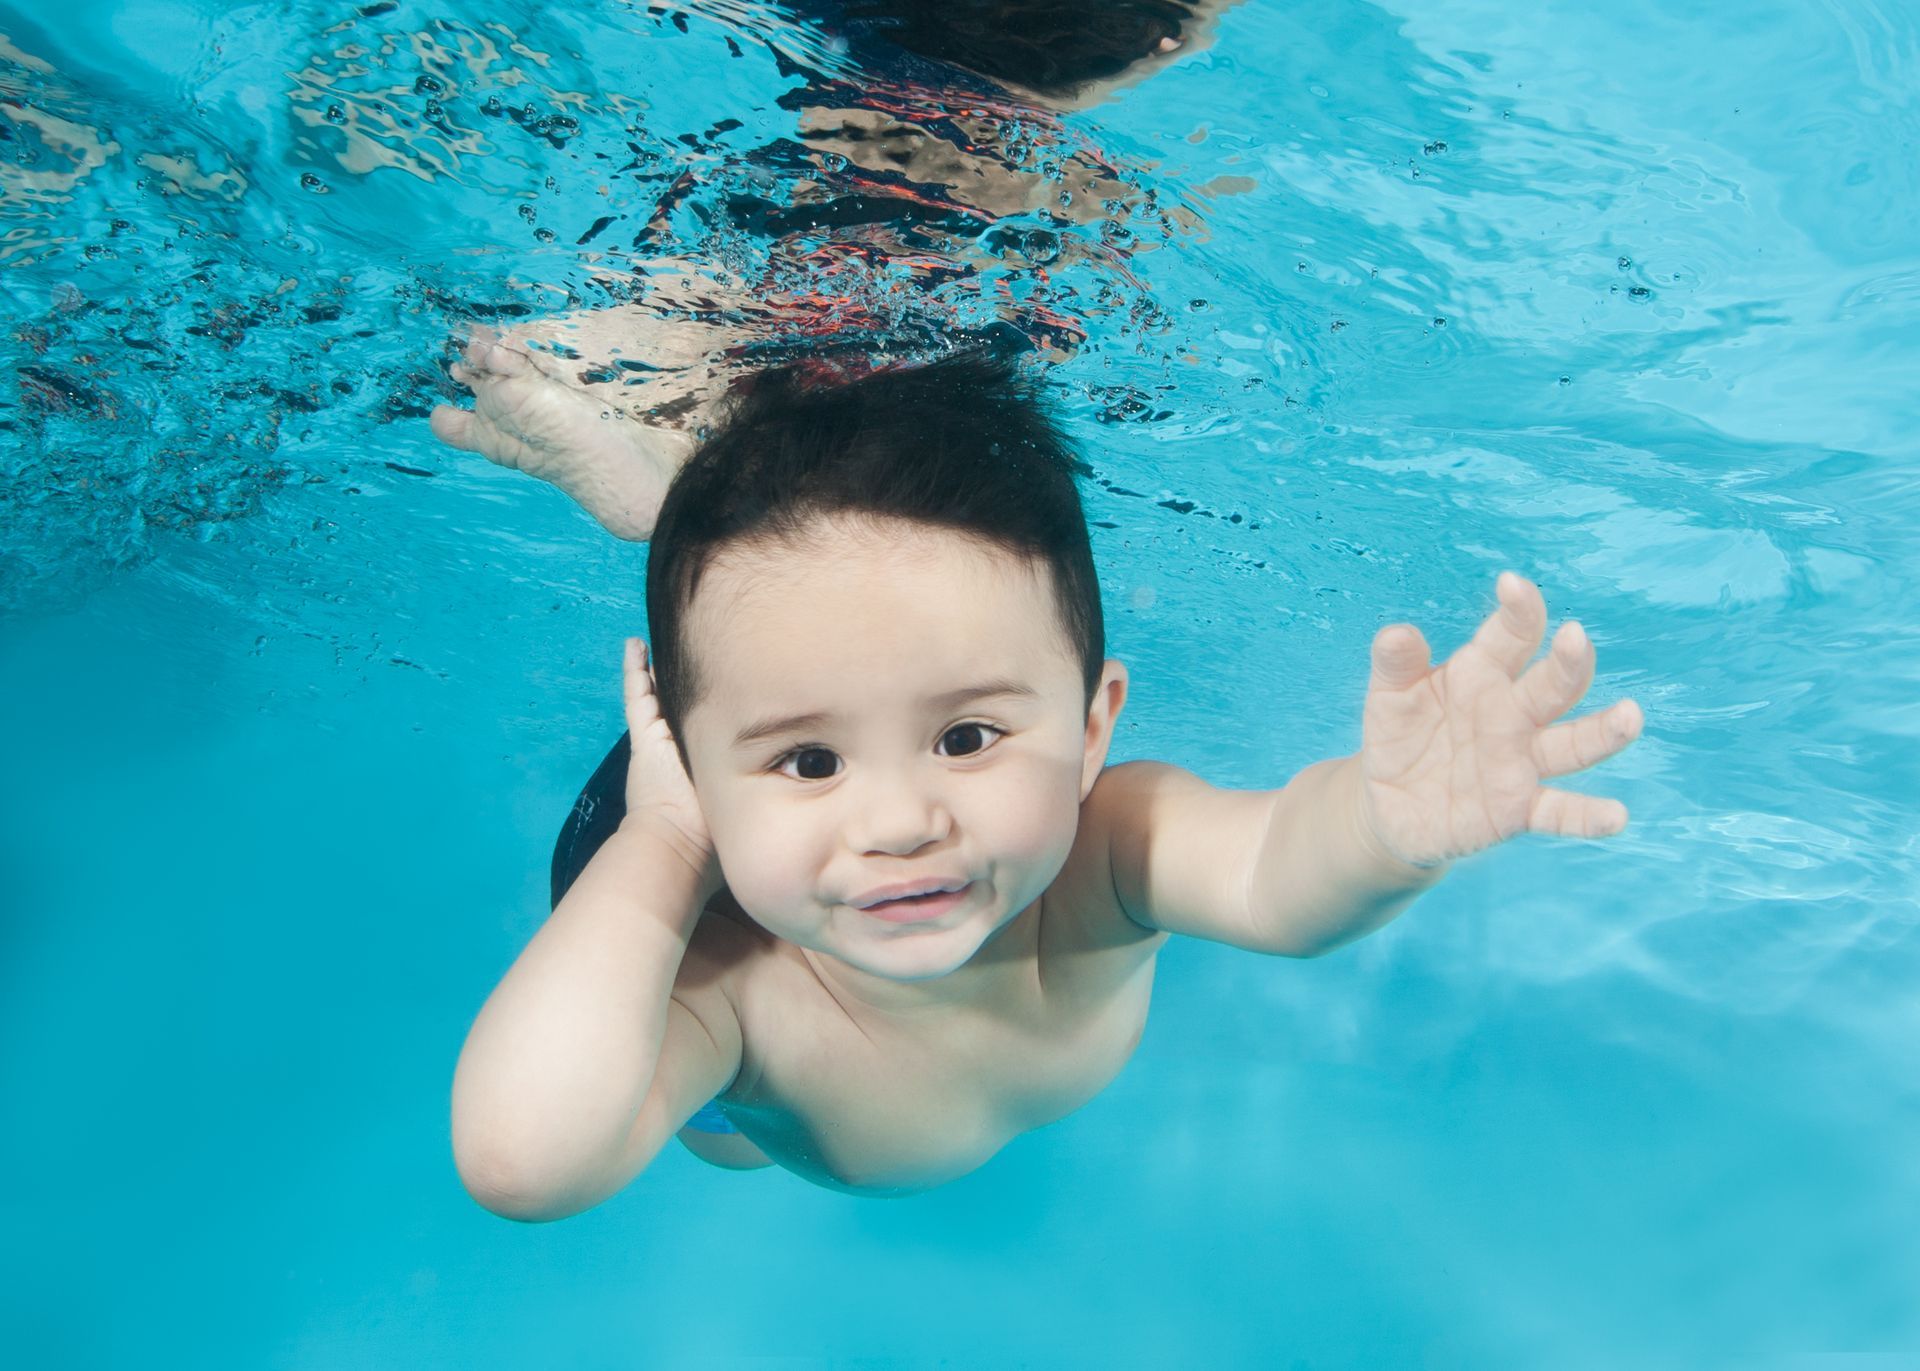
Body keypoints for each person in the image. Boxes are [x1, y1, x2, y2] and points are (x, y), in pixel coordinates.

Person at [447, 349, 1645, 1214]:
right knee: (729, 1150)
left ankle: (702, 504)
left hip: (735, 776)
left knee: (792, 617)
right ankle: (684, 515)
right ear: (703, 783)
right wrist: (659, 847)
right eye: (813, 760)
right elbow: (527, 1161)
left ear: (1090, 727)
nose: (904, 821)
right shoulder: (730, 985)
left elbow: (1282, 870)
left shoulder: (1109, 849)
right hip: (661, 841)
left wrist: (1386, 827)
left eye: (968, 739)